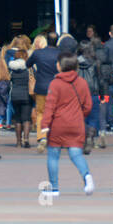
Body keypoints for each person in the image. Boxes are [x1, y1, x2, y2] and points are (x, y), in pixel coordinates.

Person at [40, 51, 94, 196]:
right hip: (76, 124)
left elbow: (49, 106)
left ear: (59, 66)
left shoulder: (55, 83)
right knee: (76, 154)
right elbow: (88, 105)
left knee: (53, 155)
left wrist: (45, 124)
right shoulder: (82, 83)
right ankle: (87, 177)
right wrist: (79, 116)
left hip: (58, 125)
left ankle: (54, 188)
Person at [30, 34, 75, 153]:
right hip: (56, 87)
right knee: (57, 113)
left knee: (41, 113)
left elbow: (27, 64)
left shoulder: (38, 53)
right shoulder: (60, 54)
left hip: (40, 87)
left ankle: (42, 137)